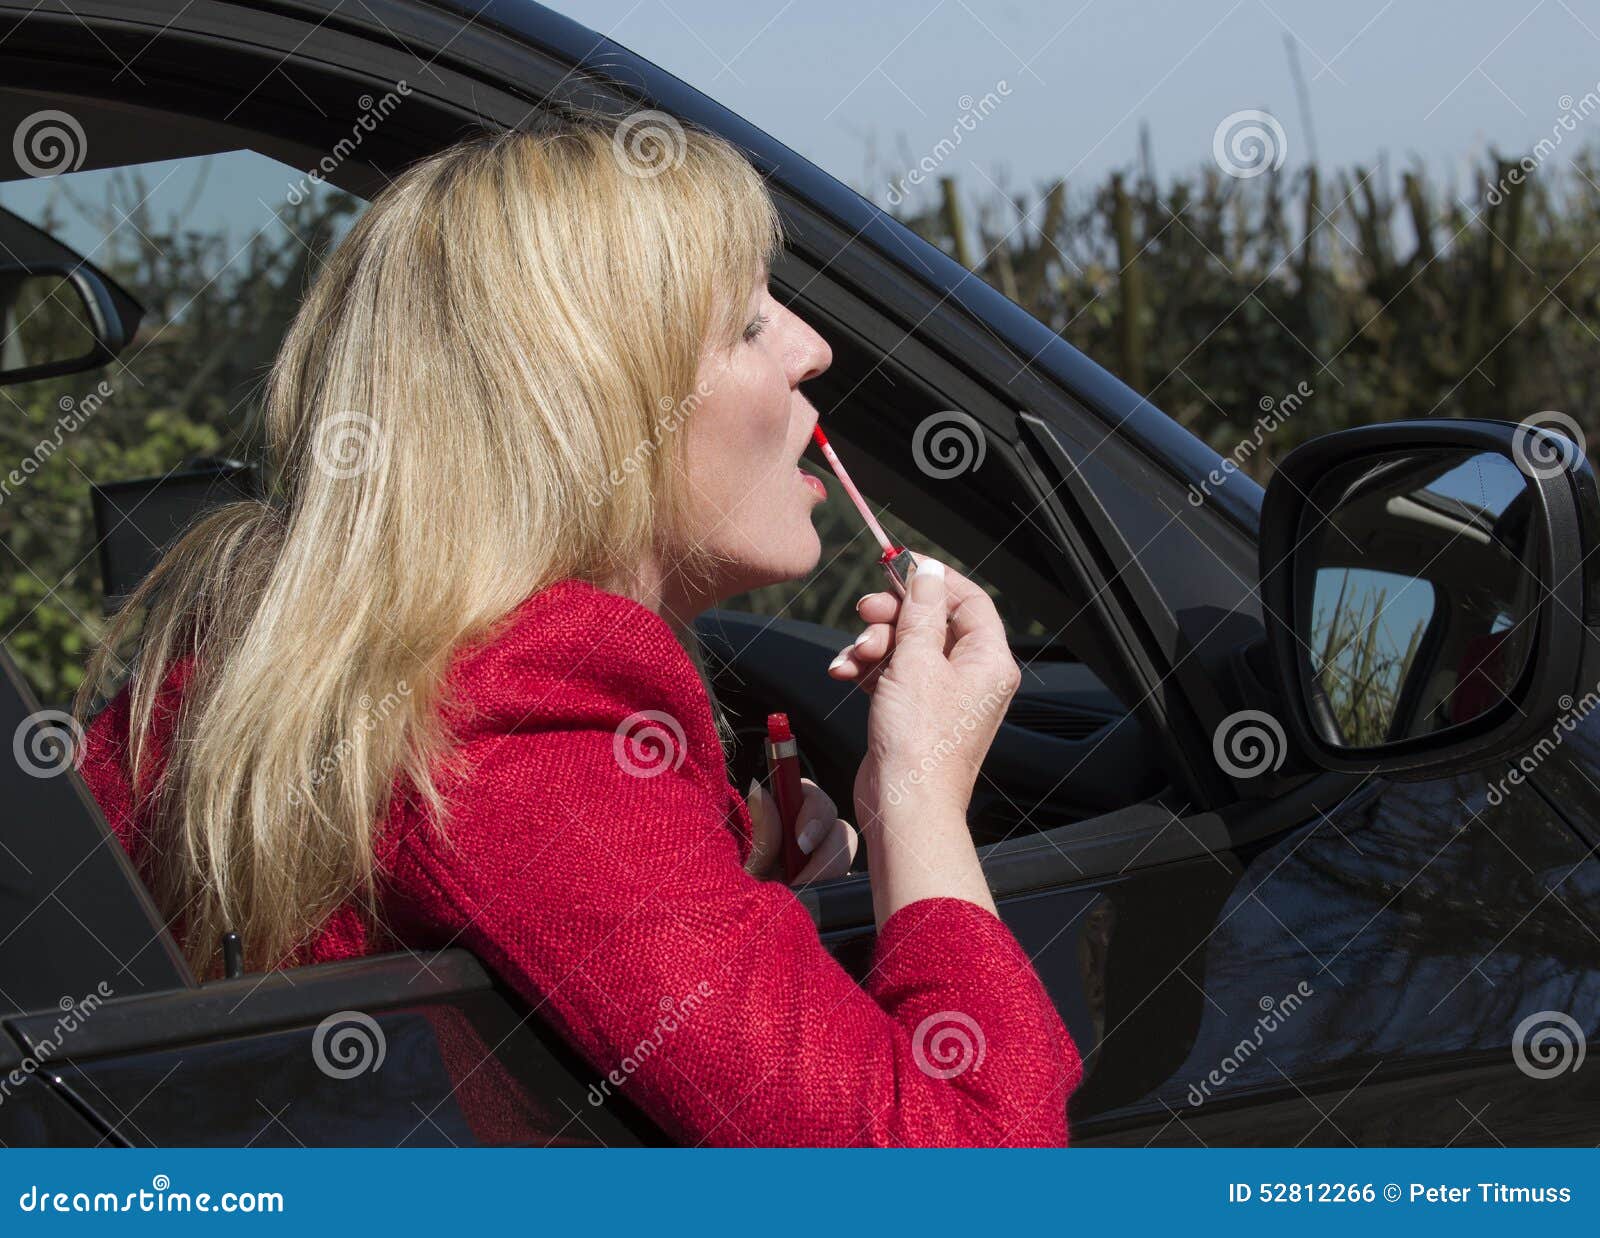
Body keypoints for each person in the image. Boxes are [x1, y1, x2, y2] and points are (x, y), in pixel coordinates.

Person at [75, 112, 1082, 1146]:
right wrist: (918, 789)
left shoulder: (263, 670)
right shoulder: (528, 708)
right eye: (743, 324)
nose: (812, 347)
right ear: (590, 403)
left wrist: (722, 877)